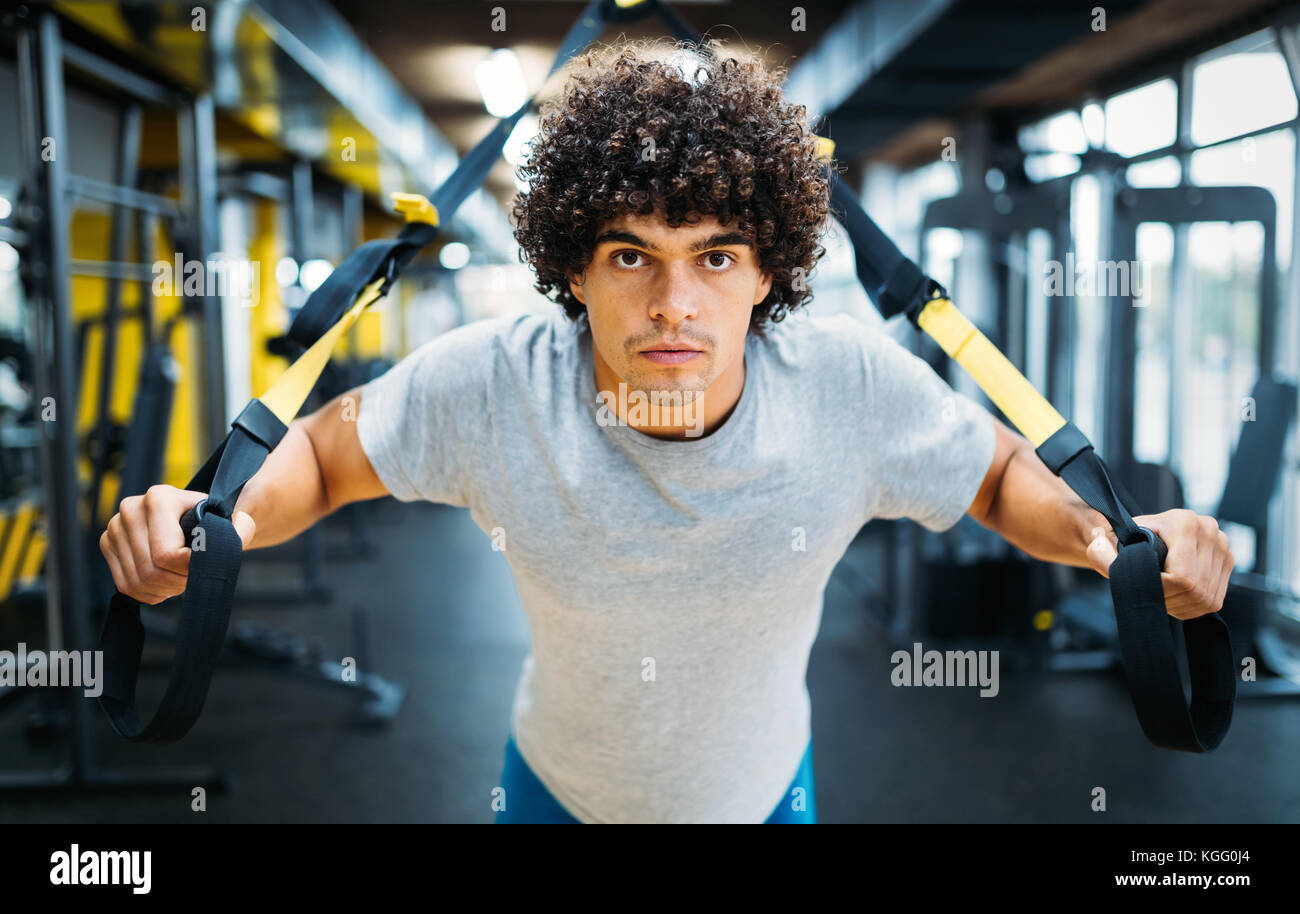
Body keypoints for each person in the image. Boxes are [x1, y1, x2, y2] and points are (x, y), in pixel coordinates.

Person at [100, 38, 1235, 824]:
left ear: (769, 274)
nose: (673, 303)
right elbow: (328, 449)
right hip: (548, 790)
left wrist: (1108, 541)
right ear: (573, 272)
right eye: (631, 254)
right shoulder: (497, 381)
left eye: (716, 256)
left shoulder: (845, 383)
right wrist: (210, 523)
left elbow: (992, 476)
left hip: (761, 799)